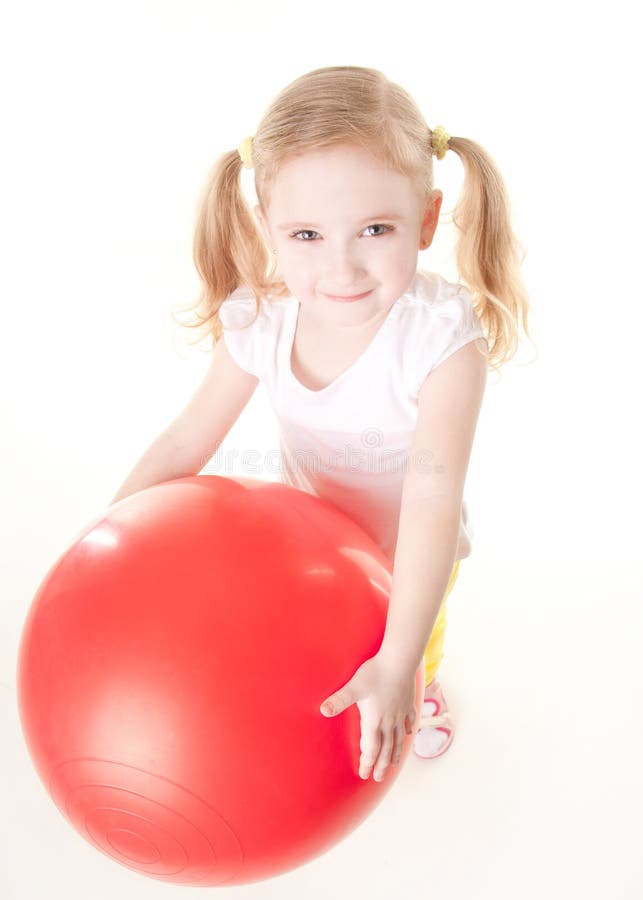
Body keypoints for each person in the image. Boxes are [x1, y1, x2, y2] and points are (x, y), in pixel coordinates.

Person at [110, 66, 532, 784]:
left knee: (410, 640)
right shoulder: (264, 317)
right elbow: (188, 441)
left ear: (427, 221)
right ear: (268, 230)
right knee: (312, 644)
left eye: (374, 228)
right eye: (306, 234)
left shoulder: (439, 342)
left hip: (407, 556)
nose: (341, 266)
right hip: (307, 539)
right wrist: (114, 538)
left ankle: (418, 691)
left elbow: (430, 503)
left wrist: (399, 662)